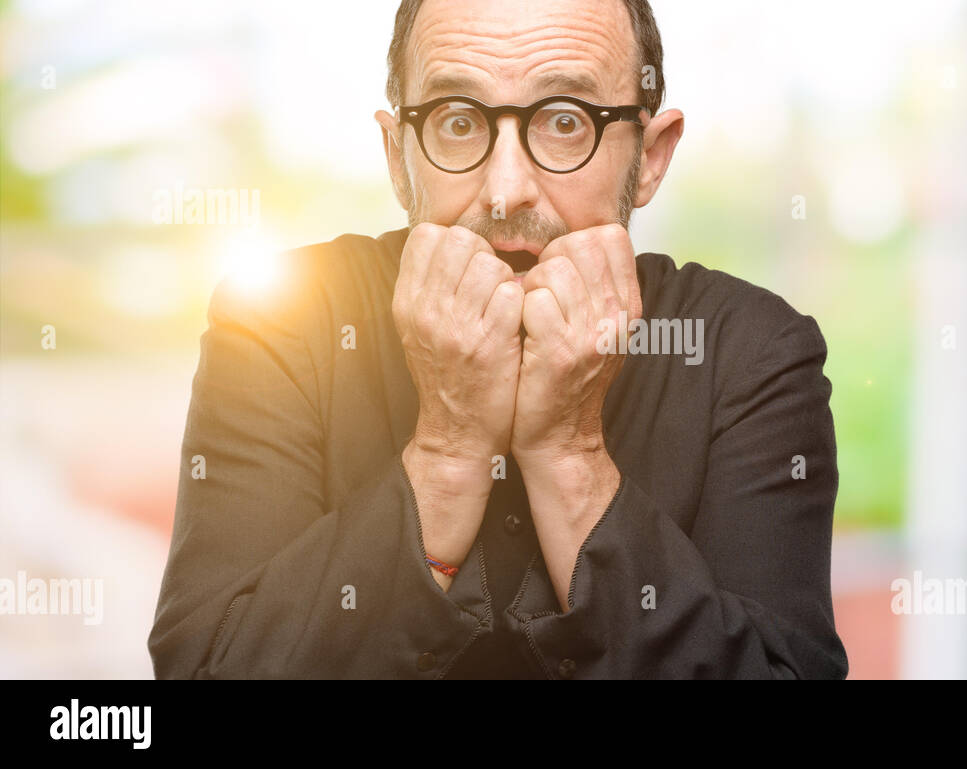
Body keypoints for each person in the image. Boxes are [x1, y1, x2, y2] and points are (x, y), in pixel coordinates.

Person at [148, 0, 848, 679]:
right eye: (457, 121)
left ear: (653, 155)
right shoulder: (280, 322)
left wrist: (568, 452)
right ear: (398, 157)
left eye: (566, 122)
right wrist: (448, 448)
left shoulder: (753, 352)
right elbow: (207, 670)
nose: (506, 190)